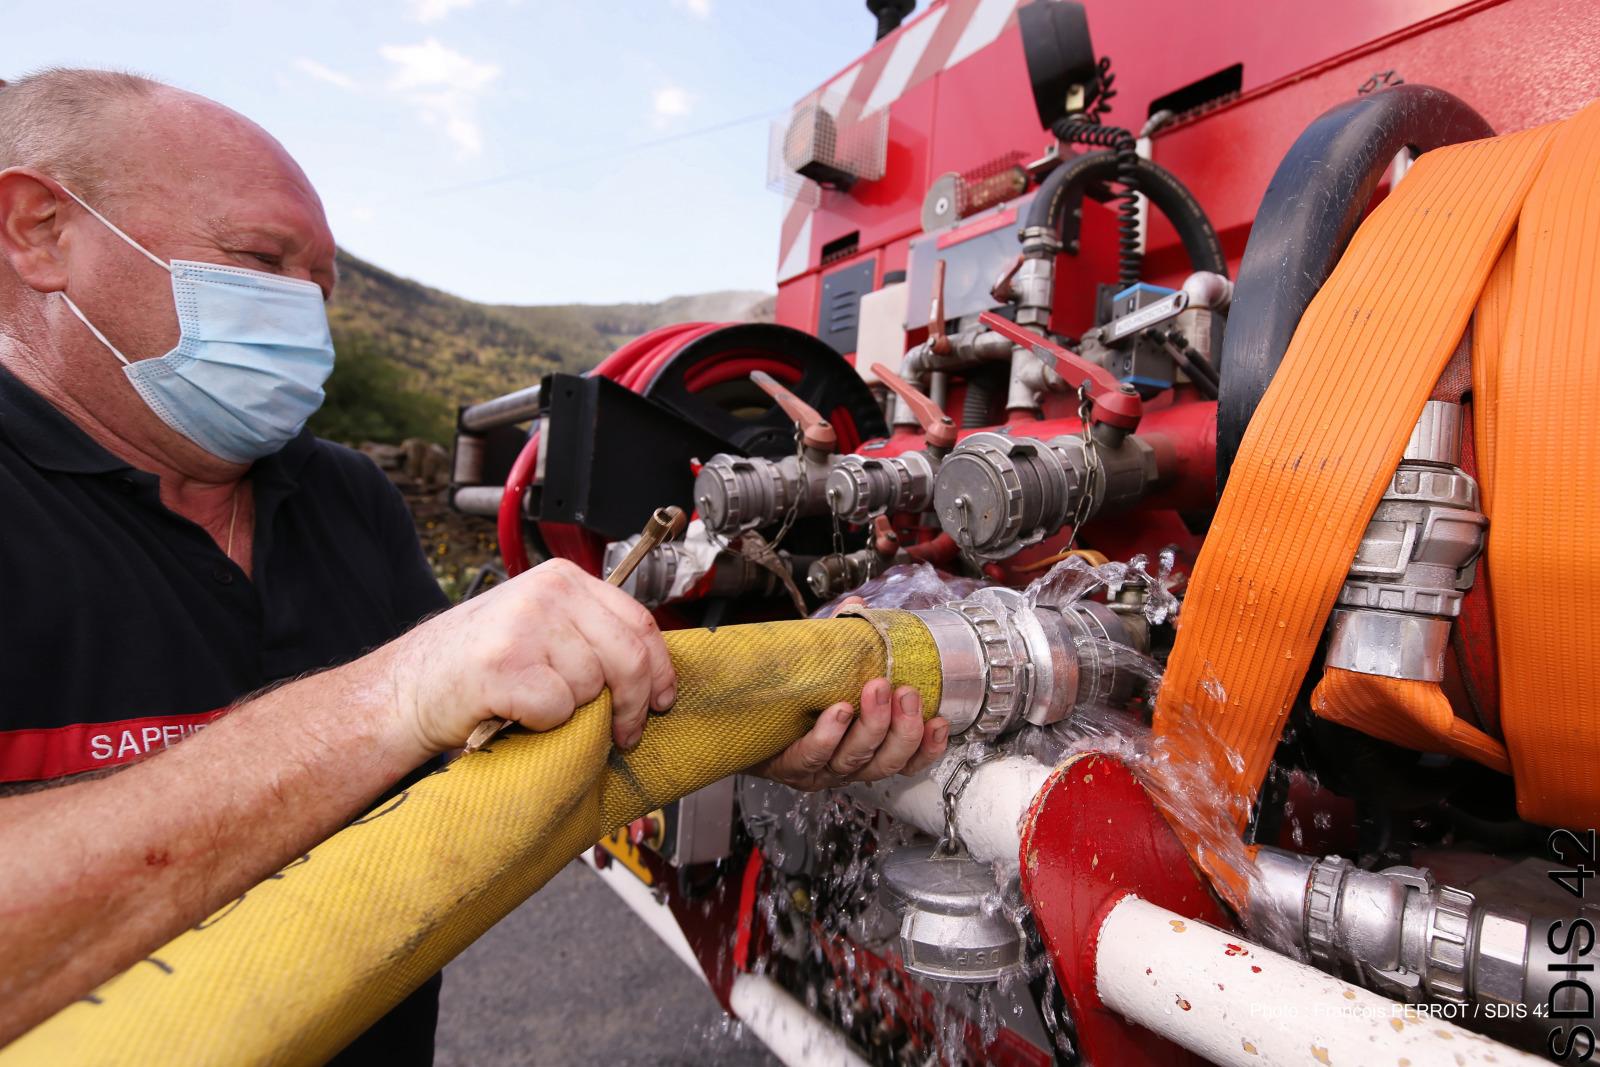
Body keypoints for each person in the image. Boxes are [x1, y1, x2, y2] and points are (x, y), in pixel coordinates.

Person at [0, 69, 950, 1055]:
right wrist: (388, 695)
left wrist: (755, 724)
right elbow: (407, 705)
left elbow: (490, 757)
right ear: (38, 232)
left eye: (317, 286)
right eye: (256, 258)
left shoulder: (339, 499)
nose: (301, 316)